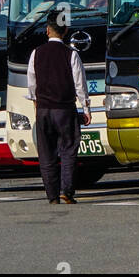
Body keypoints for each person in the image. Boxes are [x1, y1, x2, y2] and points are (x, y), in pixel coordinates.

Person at [26, 13, 91, 204]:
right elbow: (80, 84)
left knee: (46, 154)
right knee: (69, 149)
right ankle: (66, 191)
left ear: (47, 30)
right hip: (65, 109)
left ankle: (52, 196)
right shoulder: (71, 54)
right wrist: (86, 109)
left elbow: (31, 83)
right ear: (65, 31)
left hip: (43, 110)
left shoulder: (35, 53)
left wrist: (36, 102)